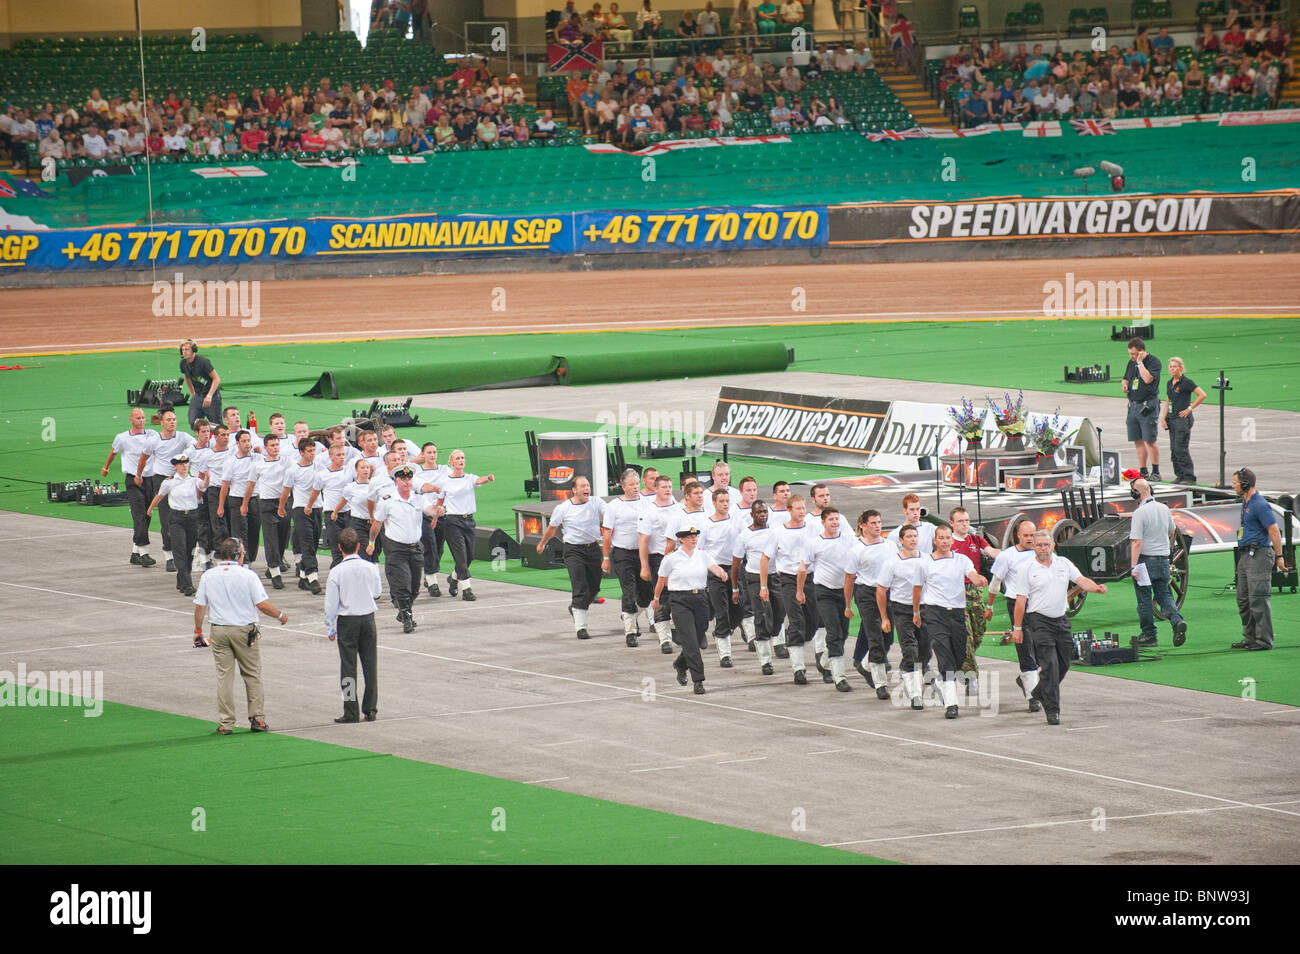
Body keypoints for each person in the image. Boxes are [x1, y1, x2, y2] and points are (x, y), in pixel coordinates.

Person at [193, 536, 288, 735]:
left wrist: (198, 631)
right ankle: (257, 719)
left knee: (224, 677)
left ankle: (226, 723)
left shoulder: (209, 575)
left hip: (219, 631)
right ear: (238, 554)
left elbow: (200, 606)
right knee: (252, 675)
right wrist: (280, 615)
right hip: (244, 631)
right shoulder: (248, 575)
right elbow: (262, 604)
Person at [1013, 530, 1108, 725]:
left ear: (1053, 546)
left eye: (1046, 545)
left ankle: (1039, 691)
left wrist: (1096, 588)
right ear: (1034, 547)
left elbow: (1081, 581)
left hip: (1061, 620)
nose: (1043, 549)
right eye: (1039, 545)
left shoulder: (1063, 563)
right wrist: (1017, 628)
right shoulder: (1026, 568)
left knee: (1064, 663)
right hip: (1038, 621)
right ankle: (1053, 710)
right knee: (1050, 665)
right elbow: (1021, 601)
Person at [917, 525, 988, 718]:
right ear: (935, 540)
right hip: (934, 613)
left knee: (959, 655)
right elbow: (917, 588)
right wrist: (916, 611)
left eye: (948, 538)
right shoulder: (926, 562)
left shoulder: (961, 560)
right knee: (944, 655)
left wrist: (978, 579)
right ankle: (951, 704)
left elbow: (971, 574)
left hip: (957, 613)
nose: (945, 541)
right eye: (941, 538)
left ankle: (941, 683)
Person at [652, 526, 730, 695]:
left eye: (695, 536)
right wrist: (656, 599)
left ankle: (681, 663)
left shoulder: (702, 555)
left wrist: (721, 573)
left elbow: (714, 567)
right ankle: (698, 680)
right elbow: (661, 580)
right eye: (690, 537)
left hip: (700, 598)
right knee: (690, 641)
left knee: (700, 634)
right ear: (681, 539)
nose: (694, 539)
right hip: (680, 600)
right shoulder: (671, 558)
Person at [368, 464, 437, 633]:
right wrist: (371, 543)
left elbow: (429, 510)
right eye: (402, 479)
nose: (406, 482)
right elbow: (377, 523)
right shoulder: (387, 500)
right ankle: (408, 618)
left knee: (414, 587)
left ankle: (403, 610)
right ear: (396, 480)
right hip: (396, 548)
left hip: (415, 547)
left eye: (409, 479)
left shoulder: (418, 498)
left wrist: (437, 511)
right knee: (402, 584)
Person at [538, 476, 607, 639]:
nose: (586, 489)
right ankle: (581, 627)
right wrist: (542, 543)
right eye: (583, 486)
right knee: (580, 585)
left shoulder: (596, 502)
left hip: (593, 548)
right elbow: (551, 528)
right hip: (573, 550)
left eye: (588, 485)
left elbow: (611, 514)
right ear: (574, 490)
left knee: (594, 588)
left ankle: (576, 607)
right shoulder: (563, 508)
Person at [759, 493, 818, 684]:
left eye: (803, 508)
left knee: (813, 620)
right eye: (798, 508)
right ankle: (798, 668)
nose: (802, 512)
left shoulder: (813, 528)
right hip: (788, 579)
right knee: (796, 620)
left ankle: (801, 642)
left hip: (810, 578)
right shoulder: (778, 532)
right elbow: (765, 558)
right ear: (789, 510)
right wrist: (763, 585)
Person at [325, 529, 383, 723]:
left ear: (339, 547)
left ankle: (350, 710)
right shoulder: (371, 568)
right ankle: (371, 708)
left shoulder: (336, 572)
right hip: (367, 618)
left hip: (347, 621)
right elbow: (377, 592)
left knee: (348, 668)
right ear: (358, 546)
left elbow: (331, 604)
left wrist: (330, 627)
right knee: (370, 665)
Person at [985, 518, 1041, 710]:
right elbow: (995, 583)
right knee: (1025, 649)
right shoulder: (1007, 556)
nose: (1029, 539)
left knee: (1043, 649)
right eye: (1025, 535)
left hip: (1039, 606)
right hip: (1016, 604)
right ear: (1017, 535)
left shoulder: (1042, 553)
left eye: (1032, 535)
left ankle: (1026, 679)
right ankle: (1032, 696)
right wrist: (990, 606)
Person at [799, 506, 855, 691]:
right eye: (831, 519)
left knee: (844, 633)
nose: (835, 522)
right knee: (833, 631)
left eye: (837, 519)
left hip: (844, 592)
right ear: (823, 522)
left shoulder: (848, 540)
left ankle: (824, 660)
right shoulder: (814, 543)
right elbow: (802, 568)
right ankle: (840, 677)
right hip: (824, 592)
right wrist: (799, 591)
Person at [1232, 468, 1287, 652]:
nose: (1233, 486)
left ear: (1245, 484)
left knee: (1258, 598)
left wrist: (1279, 557)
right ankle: (1249, 638)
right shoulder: (1246, 502)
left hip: (1259, 555)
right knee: (1243, 599)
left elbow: (1273, 530)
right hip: (1246, 555)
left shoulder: (1259, 504)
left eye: (1236, 483)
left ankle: (1264, 641)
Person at [1128, 477, 1187, 648]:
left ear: (1136, 493)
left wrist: (1133, 565)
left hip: (1146, 561)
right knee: (1164, 595)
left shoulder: (1139, 513)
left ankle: (1149, 635)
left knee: (1144, 599)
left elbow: (1136, 542)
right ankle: (1176, 621)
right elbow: (1171, 531)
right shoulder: (1164, 508)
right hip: (1162, 560)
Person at [137, 407, 197, 573]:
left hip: (181, 480)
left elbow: (195, 446)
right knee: (166, 519)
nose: (172, 422)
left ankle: (185, 553)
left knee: (186, 515)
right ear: (161, 422)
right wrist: (139, 475)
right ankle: (169, 555)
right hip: (162, 479)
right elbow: (143, 459)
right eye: (169, 420)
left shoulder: (183, 437)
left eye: (174, 420)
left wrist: (186, 454)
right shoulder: (154, 440)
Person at [101, 407, 159, 566]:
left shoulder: (152, 435)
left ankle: (135, 552)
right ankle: (145, 553)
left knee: (147, 515)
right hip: (133, 481)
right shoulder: (122, 438)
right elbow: (113, 452)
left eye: (143, 418)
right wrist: (106, 467)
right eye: (138, 418)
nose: (141, 420)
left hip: (150, 479)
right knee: (139, 515)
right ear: (131, 420)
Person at [145, 454, 209, 598]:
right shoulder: (169, 482)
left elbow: (203, 486)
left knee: (188, 551)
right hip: (176, 518)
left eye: (185, 463)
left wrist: (207, 478)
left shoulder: (193, 480)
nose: (184, 466)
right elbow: (159, 496)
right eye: (180, 464)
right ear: (175, 466)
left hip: (192, 517)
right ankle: (187, 584)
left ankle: (181, 580)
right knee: (179, 549)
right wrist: (150, 509)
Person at [845, 509, 893, 698]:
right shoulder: (857, 549)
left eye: (879, 522)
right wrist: (848, 604)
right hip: (866, 593)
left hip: (888, 592)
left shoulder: (890, 546)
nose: (877, 526)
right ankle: (881, 684)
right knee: (875, 637)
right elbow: (849, 578)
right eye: (873, 523)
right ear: (863, 526)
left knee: (888, 637)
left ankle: (865, 663)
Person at [949, 506, 998, 692]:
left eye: (967, 521)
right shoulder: (948, 543)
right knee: (967, 636)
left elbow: (990, 551)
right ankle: (971, 676)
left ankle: (961, 660)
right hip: (956, 592)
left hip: (976, 592)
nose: (964, 524)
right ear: (952, 523)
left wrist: (1006, 556)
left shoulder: (976, 539)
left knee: (978, 632)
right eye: (960, 521)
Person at [879, 525, 927, 709]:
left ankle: (906, 669)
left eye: (915, 536)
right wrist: (884, 617)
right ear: (901, 540)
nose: (913, 539)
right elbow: (881, 590)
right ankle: (915, 694)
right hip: (902, 609)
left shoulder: (926, 559)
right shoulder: (892, 563)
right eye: (909, 536)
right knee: (910, 650)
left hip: (924, 609)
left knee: (924, 651)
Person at [603, 469, 651, 645]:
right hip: (623, 553)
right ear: (623, 487)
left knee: (647, 593)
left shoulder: (647, 503)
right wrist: (606, 558)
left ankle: (629, 615)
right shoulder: (614, 506)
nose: (635, 487)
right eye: (631, 484)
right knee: (629, 591)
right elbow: (607, 533)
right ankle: (630, 631)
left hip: (643, 553)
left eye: (637, 484)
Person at [438, 450, 494, 601]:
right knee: (461, 557)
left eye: (462, 458)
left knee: (469, 556)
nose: (461, 460)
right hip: (452, 522)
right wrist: (437, 512)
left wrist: (488, 478)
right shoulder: (445, 481)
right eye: (457, 458)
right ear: (451, 462)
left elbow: (479, 481)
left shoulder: (469, 478)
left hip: (468, 521)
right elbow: (439, 501)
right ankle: (467, 589)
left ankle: (454, 578)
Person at [733, 499, 778, 675]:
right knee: (761, 616)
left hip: (776, 576)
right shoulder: (744, 536)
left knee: (779, 613)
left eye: (765, 512)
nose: (763, 515)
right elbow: (736, 563)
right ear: (752, 515)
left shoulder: (775, 532)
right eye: (759, 512)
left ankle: (776, 635)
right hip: (754, 578)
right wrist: (735, 588)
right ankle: (765, 660)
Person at [638, 474, 681, 653]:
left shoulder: (680, 508)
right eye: (664, 487)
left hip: (679, 559)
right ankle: (664, 639)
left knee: (678, 596)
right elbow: (643, 540)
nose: (668, 490)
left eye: (670, 486)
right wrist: (644, 565)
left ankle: (676, 628)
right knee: (662, 597)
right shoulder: (648, 511)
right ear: (655, 489)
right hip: (658, 558)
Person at [700, 488, 742, 667]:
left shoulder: (736, 522)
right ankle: (725, 654)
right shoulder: (706, 525)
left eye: (727, 501)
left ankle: (722, 632)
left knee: (739, 610)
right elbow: (700, 552)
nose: (725, 504)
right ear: (714, 503)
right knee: (722, 612)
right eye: (722, 501)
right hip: (715, 572)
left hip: (735, 571)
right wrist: (712, 569)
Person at [248, 434, 290, 589]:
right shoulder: (259, 465)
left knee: (283, 536)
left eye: (277, 445)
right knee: (270, 538)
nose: (275, 448)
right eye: (271, 445)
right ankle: (275, 572)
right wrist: (245, 504)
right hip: (266, 503)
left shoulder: (286, 461)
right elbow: (251, 485)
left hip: (283, 502)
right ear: (265, 447)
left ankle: (274, 565)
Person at [281, 438, 323, 594]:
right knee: (307, 543)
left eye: (314, 450)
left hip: (317, 509)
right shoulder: (293, 471)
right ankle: (313, 578)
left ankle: (304, 577)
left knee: (313, 543)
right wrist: (281, 508)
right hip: (300, 509)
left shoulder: (319, 467)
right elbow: (286, 491)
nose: (312, 454)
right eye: (309, 451)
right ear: (301, 452)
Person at [1122, 338, 1163, 481]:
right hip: (1133, 405)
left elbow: (1147, 379)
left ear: (1141, 351)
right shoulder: (1131, 363)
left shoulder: (1153, 362)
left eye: (1133, 354)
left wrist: (1140, 363)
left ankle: (1156, 471)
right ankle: (1143, 470)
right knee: (1137, 439)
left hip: (1148, 405)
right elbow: (1126, 377)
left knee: (1149, 440)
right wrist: (1125, 384)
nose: (1131, 357)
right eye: (1130, 354)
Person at [1161, 357, 1206, 484]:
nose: (1172, 369)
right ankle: (1179, 474)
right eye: (1170, 366)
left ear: (1181, 368)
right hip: (1172, 418)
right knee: (1173, 449)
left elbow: (1202, 395)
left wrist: (1189, 409)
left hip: (1182, 419)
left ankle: (1189, 476)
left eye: (1174, 366)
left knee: (1180, 448)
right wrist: (1164, 417)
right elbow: (1168, 401)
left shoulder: (1186, 382)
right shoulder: (1169, 382)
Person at [219, 429, 260, 565]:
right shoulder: (231, 462)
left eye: (248, 441)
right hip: (237, 500)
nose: (247, 444)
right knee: (240, 532)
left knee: (254, 531)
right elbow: (225, 485)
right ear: (237, 443)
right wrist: (220, 506)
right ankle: (243, 562)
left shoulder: (257, 458)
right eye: (244, 441)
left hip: (254, 499)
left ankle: (250, 559)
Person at [178, 339, 221, 432]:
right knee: (193, 422)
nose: (184, 352)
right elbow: (187, 377)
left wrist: (209, 396)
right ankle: (203, 438)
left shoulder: (203, 362)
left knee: (217, 425)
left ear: (193, 350)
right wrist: (193, 393)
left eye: (187, 349)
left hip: (211, 396)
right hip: (198, 395)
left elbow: (216, 379)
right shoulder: (183, 363)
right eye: (183, 350)